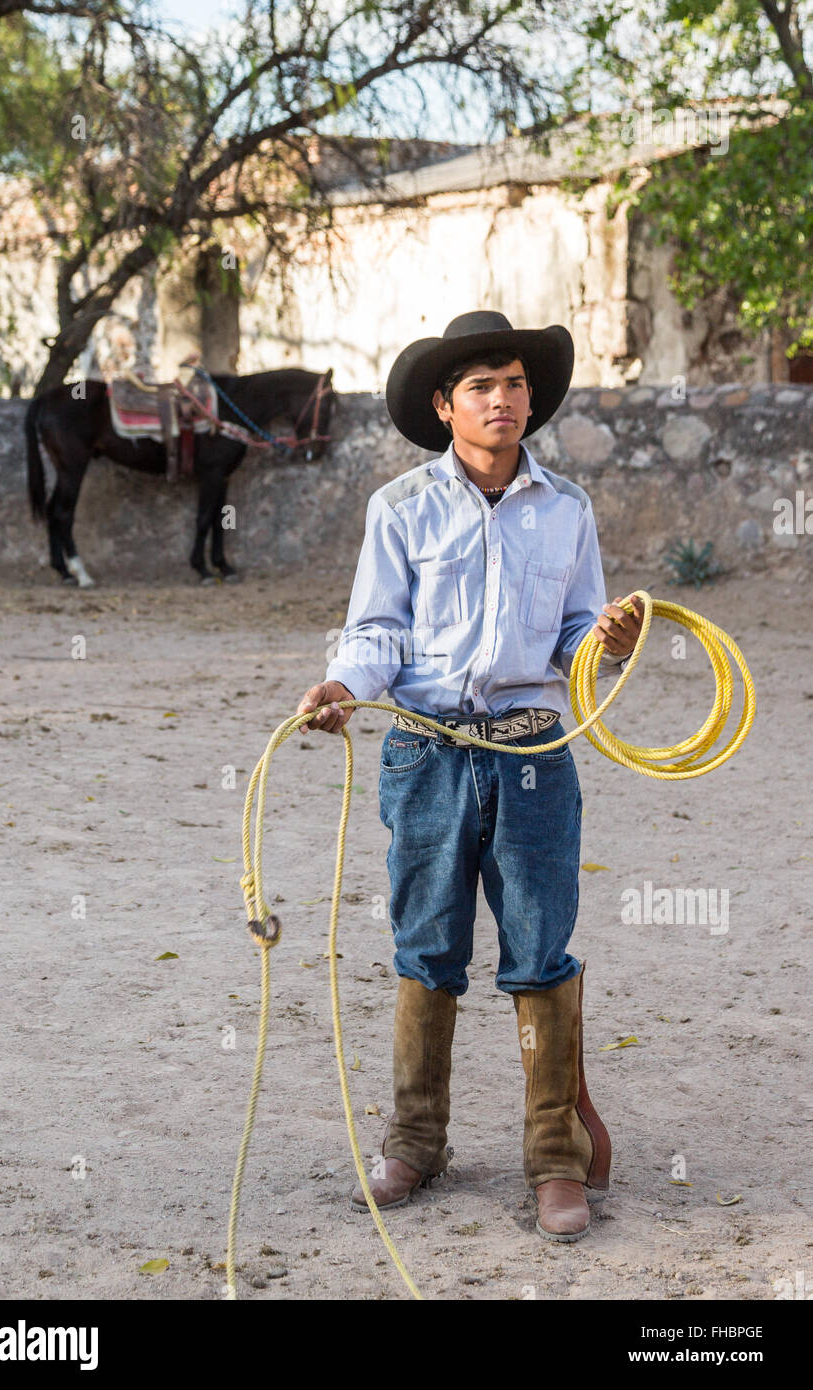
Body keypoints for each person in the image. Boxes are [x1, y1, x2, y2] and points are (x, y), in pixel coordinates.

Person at [296, 311, 643, 1241]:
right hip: (425, 751)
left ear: (531, 398)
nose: (503, 400)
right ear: (445, 406)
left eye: (516, 384)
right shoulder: (399, 508)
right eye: (482, 387)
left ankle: (554, 1158)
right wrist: (342, 682)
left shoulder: (566, 509)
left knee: (540, 952)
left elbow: (574, 635)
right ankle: (417, 1139)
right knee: (428, 948)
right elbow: (377, 632)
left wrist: (607, 640)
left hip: (532, 752)